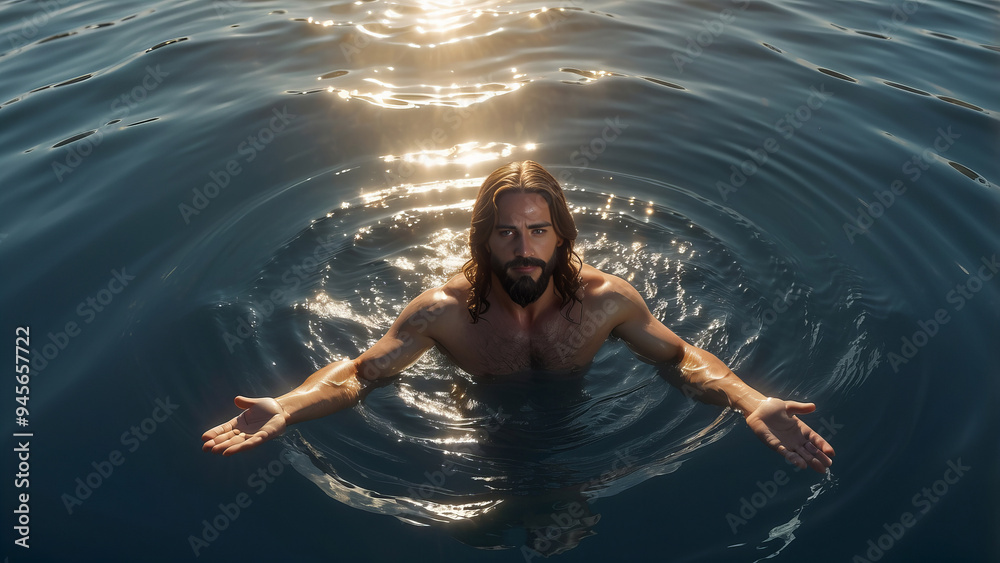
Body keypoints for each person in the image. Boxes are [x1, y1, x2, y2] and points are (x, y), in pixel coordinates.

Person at [202, 160, 835, 473]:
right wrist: (286, 404)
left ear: (562, 235)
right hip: (480, 415)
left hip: (577, 416)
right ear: (483, 239)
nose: (524, 249)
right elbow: (361, 375)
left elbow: (683, 360)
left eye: (538, 231)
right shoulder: (442, 313)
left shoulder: (607, 299)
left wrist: (751, 399)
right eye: (506, 234)